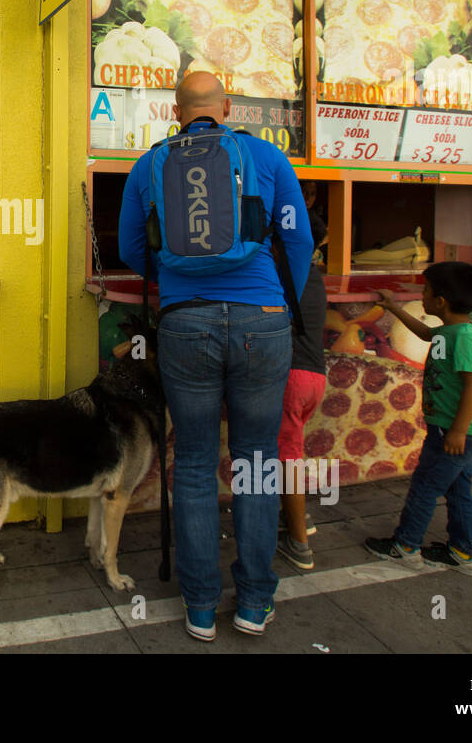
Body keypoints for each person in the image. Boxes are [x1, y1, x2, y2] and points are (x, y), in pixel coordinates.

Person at [118, 71, 313, 641]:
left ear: (176, 111)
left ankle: (200, 606)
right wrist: (279, 301)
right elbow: (296, 238)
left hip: (185, 324)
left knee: (197, 464)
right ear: (225, 108)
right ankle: (254, 602)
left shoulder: (148, 164)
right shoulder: (266, 156)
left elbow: (135, 248)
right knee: (255, 461)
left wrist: (182, 278)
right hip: (263, 321)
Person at [366, 262, 472, 576]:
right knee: (458, 490)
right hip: (451, 429)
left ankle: (405, 546)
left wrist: (457, 431)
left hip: (453, 430)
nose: (422, 296)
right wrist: (393, 307)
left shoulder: (465, 337)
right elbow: (424, 332)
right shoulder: (449, 331)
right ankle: (462, 551)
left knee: (425, 486)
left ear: (441, 301)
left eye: (426, 291)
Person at [275, 211, 328, 571]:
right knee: (291, 452)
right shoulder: (314, 275)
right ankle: (297, 519)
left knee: (287, 460)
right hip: (314, 378)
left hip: (289, 379)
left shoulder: (280, 274)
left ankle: (299, 545)